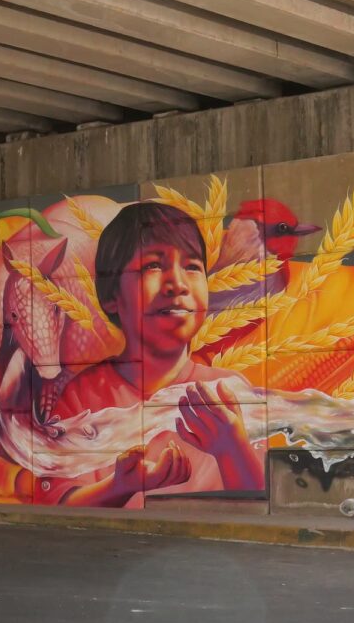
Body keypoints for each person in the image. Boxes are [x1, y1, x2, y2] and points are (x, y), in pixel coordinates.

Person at [43, 202, 265, 507]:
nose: (177, 284)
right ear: (111, 296)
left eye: (191, 266)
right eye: (153, 266)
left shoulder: (228, 393)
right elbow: (62, 506)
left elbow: (260, 507)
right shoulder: (82, 399)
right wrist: (121, 486)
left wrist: (233, 448)